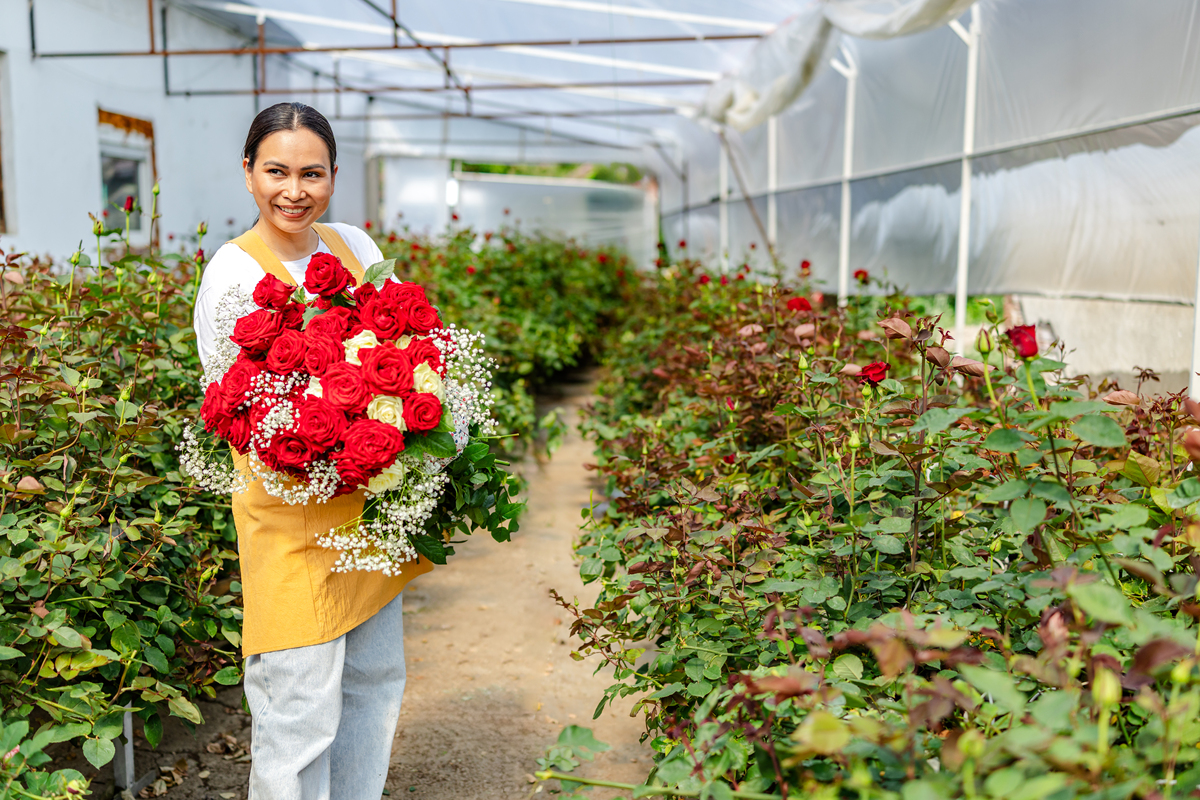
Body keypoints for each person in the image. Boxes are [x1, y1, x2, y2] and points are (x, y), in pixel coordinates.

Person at [192, 102, 432, 800]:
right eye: (276, 171)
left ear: (333, 176)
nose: (293, 190)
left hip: (364, 503)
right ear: (247, 172)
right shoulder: (232, 274)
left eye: (311, 173)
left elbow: (403, 345)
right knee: (299, 710)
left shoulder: (352, 244)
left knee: (374, 682)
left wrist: (397, 424)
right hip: (290, 512)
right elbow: (235, 405)